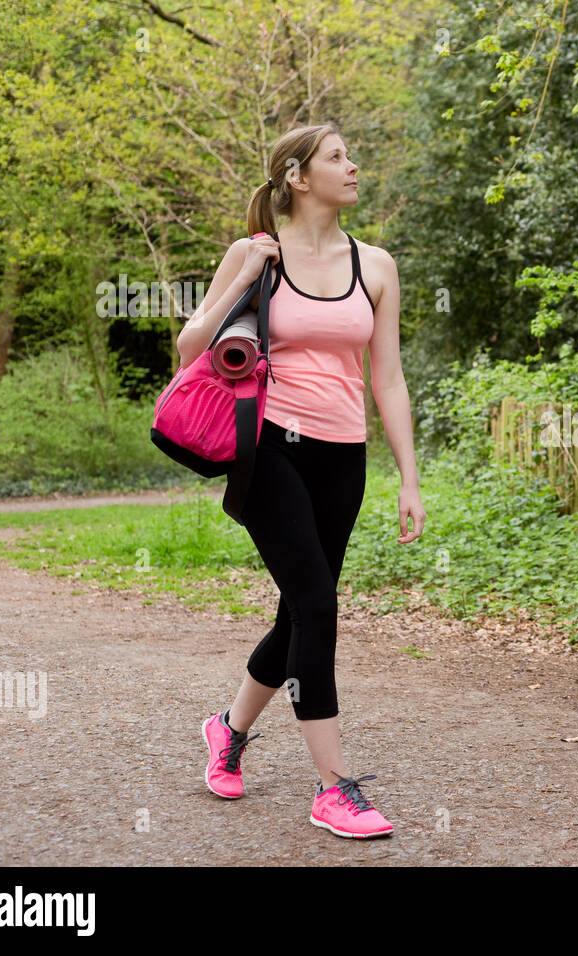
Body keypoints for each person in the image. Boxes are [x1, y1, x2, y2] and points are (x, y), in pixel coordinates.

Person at [174, 122, 425, 839]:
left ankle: (227, 729)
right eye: (338, 157)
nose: (354, 167)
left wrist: (409, 477)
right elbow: (191, 345)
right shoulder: (256, 254)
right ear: (298, 176)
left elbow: (390, 378)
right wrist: (247, 278)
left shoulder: (375, 265)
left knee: (297, 611)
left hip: (343, 456)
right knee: (317, 604)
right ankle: (332, 788)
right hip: (269, 449)